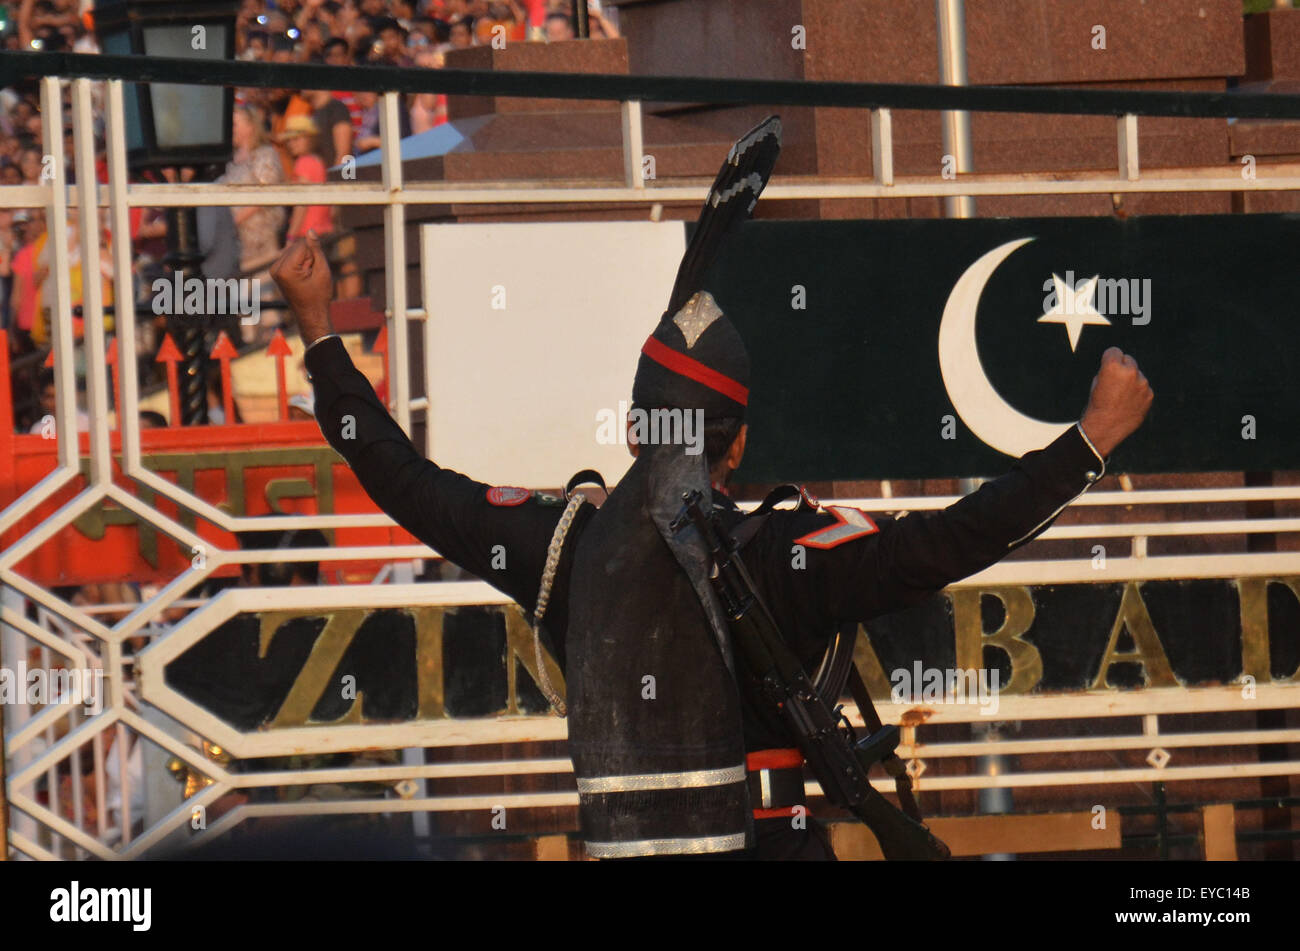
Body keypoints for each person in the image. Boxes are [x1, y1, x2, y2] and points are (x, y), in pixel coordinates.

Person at [270, 137, 1154, 862]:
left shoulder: (564, 548)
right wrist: (1086, 446)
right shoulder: (781, 554)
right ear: (738, 445)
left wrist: (321, 333)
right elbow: (943, 545)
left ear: (630, 431)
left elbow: (403, 480)